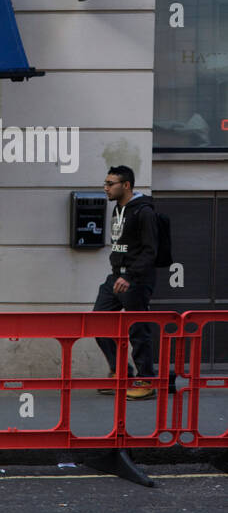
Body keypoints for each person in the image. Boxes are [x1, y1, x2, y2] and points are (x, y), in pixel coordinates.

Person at [92, 165, 159, 401]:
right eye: (106, 183)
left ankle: (146, 380)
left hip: (136, 280)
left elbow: (151, 251)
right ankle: (121, 372)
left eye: (111, 184)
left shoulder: (144, 212)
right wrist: (117, 272)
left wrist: (129, 275)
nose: (106, 188)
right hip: (116, 277)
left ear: (126, 185)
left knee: (138, 330)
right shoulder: (118, 209)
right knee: (98, 321)